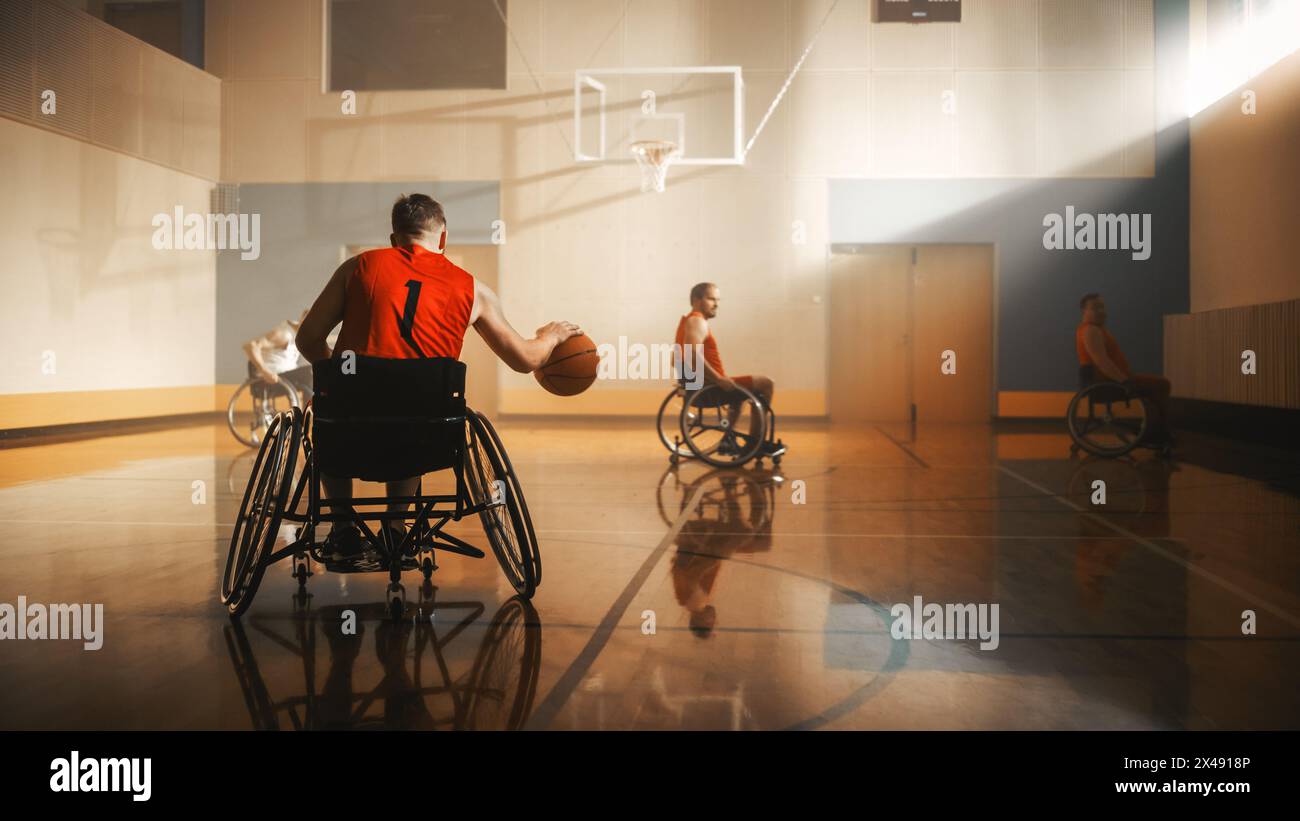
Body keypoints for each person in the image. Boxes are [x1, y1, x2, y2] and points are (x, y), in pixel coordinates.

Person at [295, 193, 581, 557]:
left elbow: (307, 338)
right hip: (427, 435)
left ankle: (343, 526)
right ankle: (396, 529)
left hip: (350, 429)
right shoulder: (472, 288)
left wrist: (337, 379)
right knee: (412, 403)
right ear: (443, 238)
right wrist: (550, 336)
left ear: (393, 238)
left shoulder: (358, 268)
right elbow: (525, 360)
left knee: (330, 404)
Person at [674, 282, 782, 456]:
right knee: (766, 383)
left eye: (717, 300)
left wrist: (689, 380)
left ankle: (727, 440)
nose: (716, 304)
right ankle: (755, 444)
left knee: (737, 395)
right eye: (711, 299)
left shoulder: (688, 322)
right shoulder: (697, 321)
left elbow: (677, 359)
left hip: (702, 386)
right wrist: (718, 379)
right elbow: (691, 354)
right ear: (696, 300)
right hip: (708, 389)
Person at [1076, 292, 1173, 444]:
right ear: (1084, 311)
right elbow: (1102, 361)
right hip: (1110, 383)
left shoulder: (1095, 329)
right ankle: (1156, 433)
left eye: (1103, 307)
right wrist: (1125, 381)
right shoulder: (1090, 330)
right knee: (1161, 384)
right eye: (1096, 308)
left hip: (1113, 380)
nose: (1101, 311)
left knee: (1157, 386)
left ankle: (1154, 431)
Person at [242, 309, 314, 402]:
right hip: (269, 380)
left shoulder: (300, 335)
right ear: (303, 319)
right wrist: (264, 371)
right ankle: (308, 414)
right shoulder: (285, 335)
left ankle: (313, 411)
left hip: (285, 378)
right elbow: (251, 346)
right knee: (311, 372)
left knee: (317, 373)